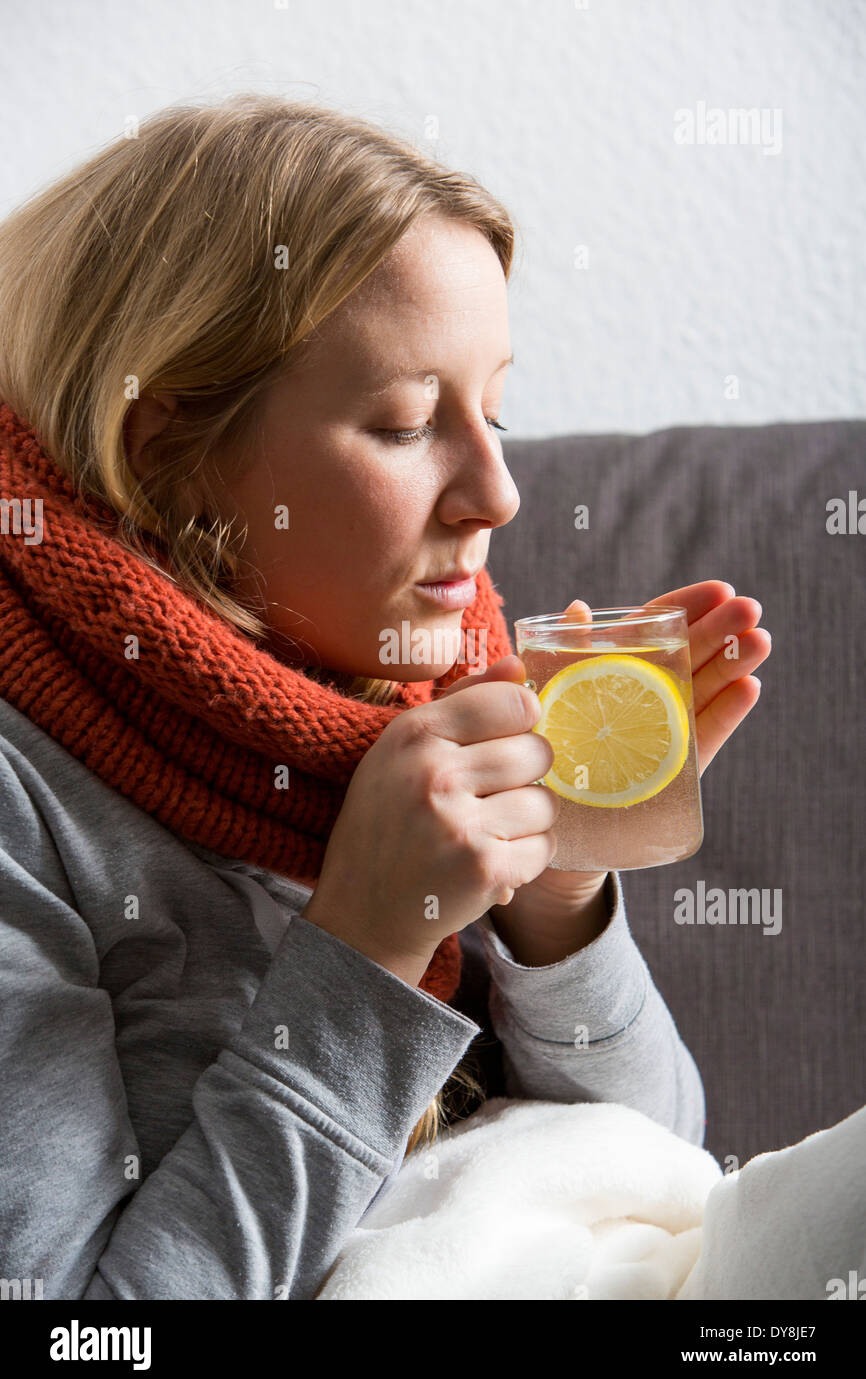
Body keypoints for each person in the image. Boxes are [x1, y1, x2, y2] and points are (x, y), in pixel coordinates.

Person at [0, 94, 770, 1300]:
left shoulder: (422, 688)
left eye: (496, 408)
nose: (500, 493)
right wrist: (363, 942)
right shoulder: (22, 799)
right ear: (163, 452)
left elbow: (656, 1166)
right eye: (410, 422)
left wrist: (556, 892)